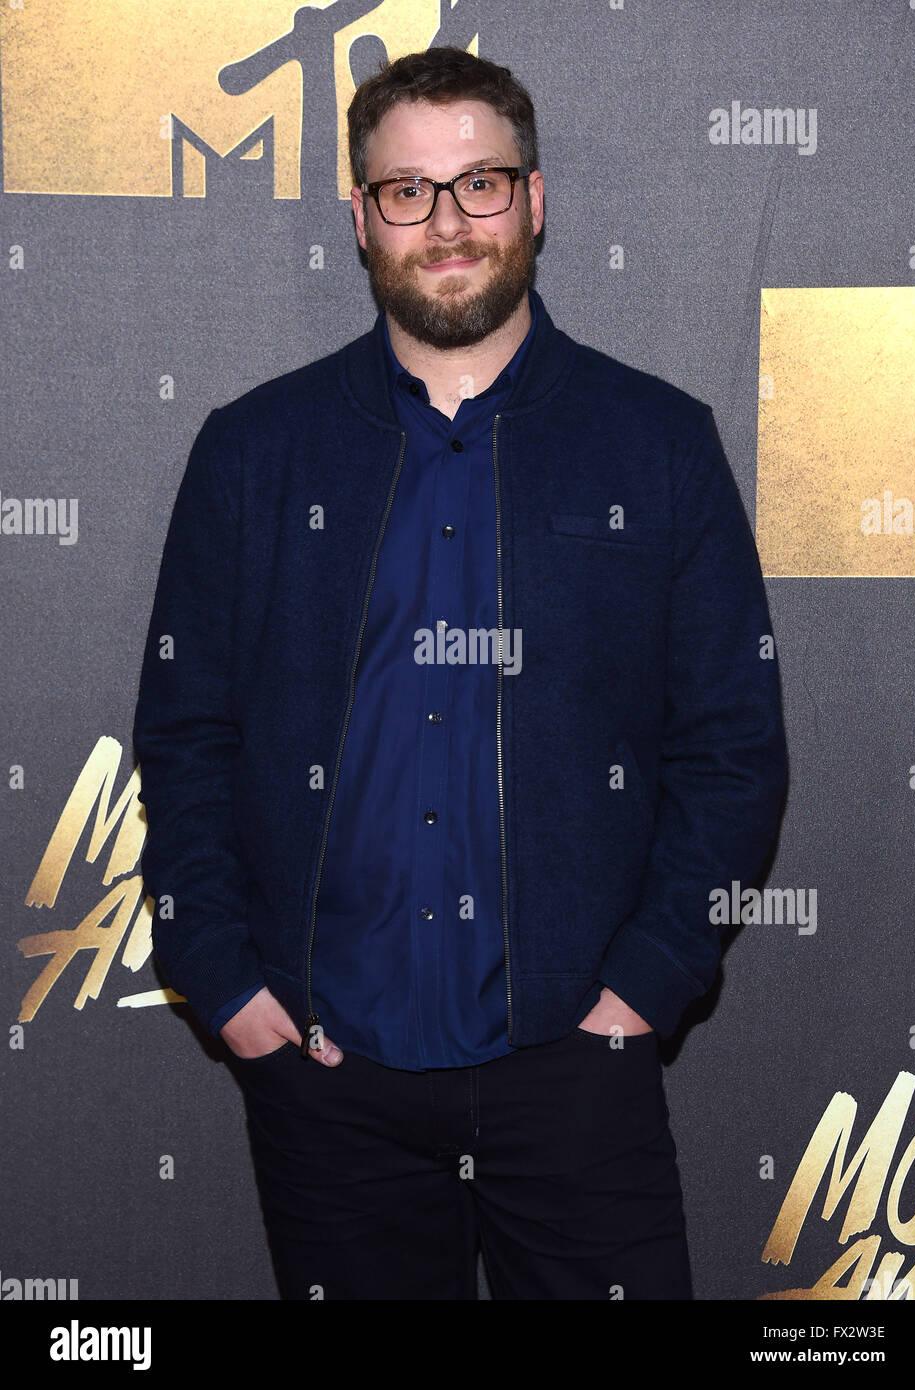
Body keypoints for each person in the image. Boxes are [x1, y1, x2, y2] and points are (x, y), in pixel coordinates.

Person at [133, 46, 787, 1301]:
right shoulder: (251, 453)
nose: (446, 222)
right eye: (406, 191)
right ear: (362, 221)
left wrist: (638, 996)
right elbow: (189, 734)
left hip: (575, 1072)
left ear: (534, 201)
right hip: (329, 1083)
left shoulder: (656, 443)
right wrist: (225, 982)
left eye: (479, 184)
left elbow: (731, 748)